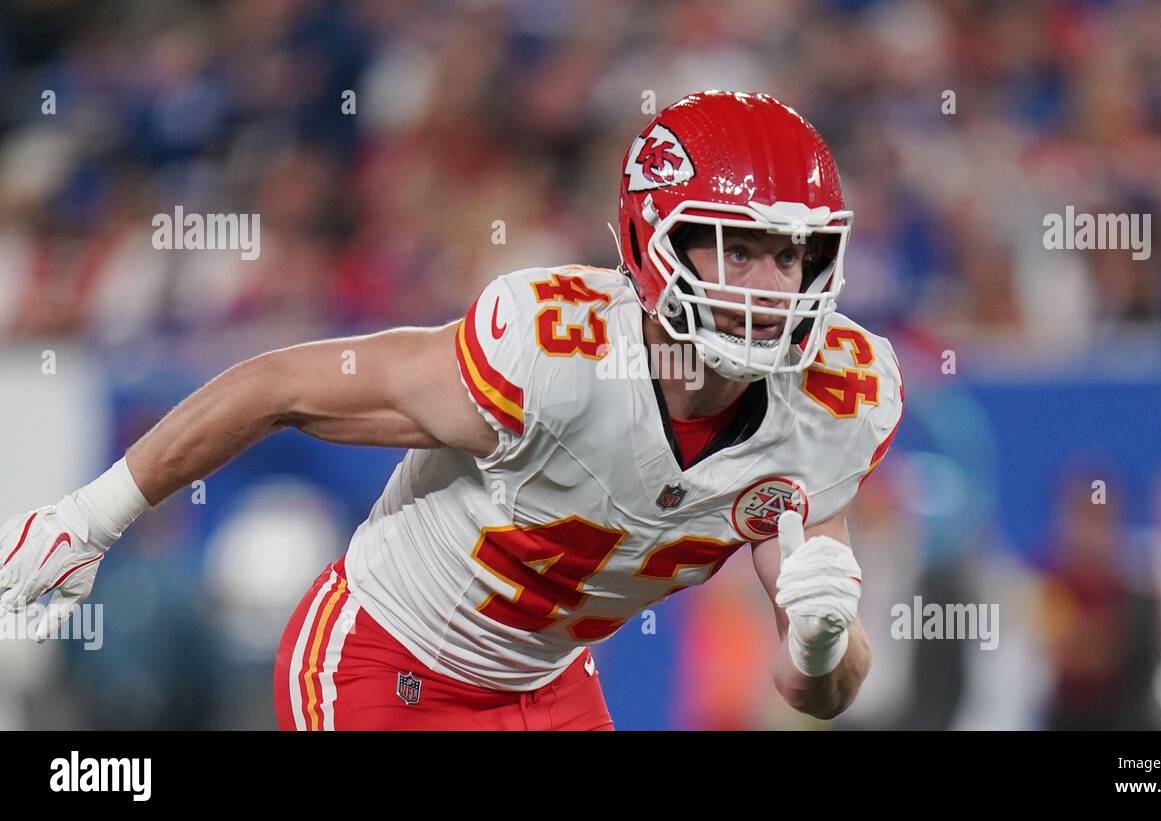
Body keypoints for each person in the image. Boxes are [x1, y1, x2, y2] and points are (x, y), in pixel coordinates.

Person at [0, 91, 904, 730]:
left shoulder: (833, 403)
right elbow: (279, 387)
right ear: (651, 242)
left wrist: (826, 646)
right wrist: (92, 516)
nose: (772, 285)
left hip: (546, 689)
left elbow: (814, 691)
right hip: (382, 666)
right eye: (737, 249)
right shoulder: (555, 351)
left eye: (791, 255)